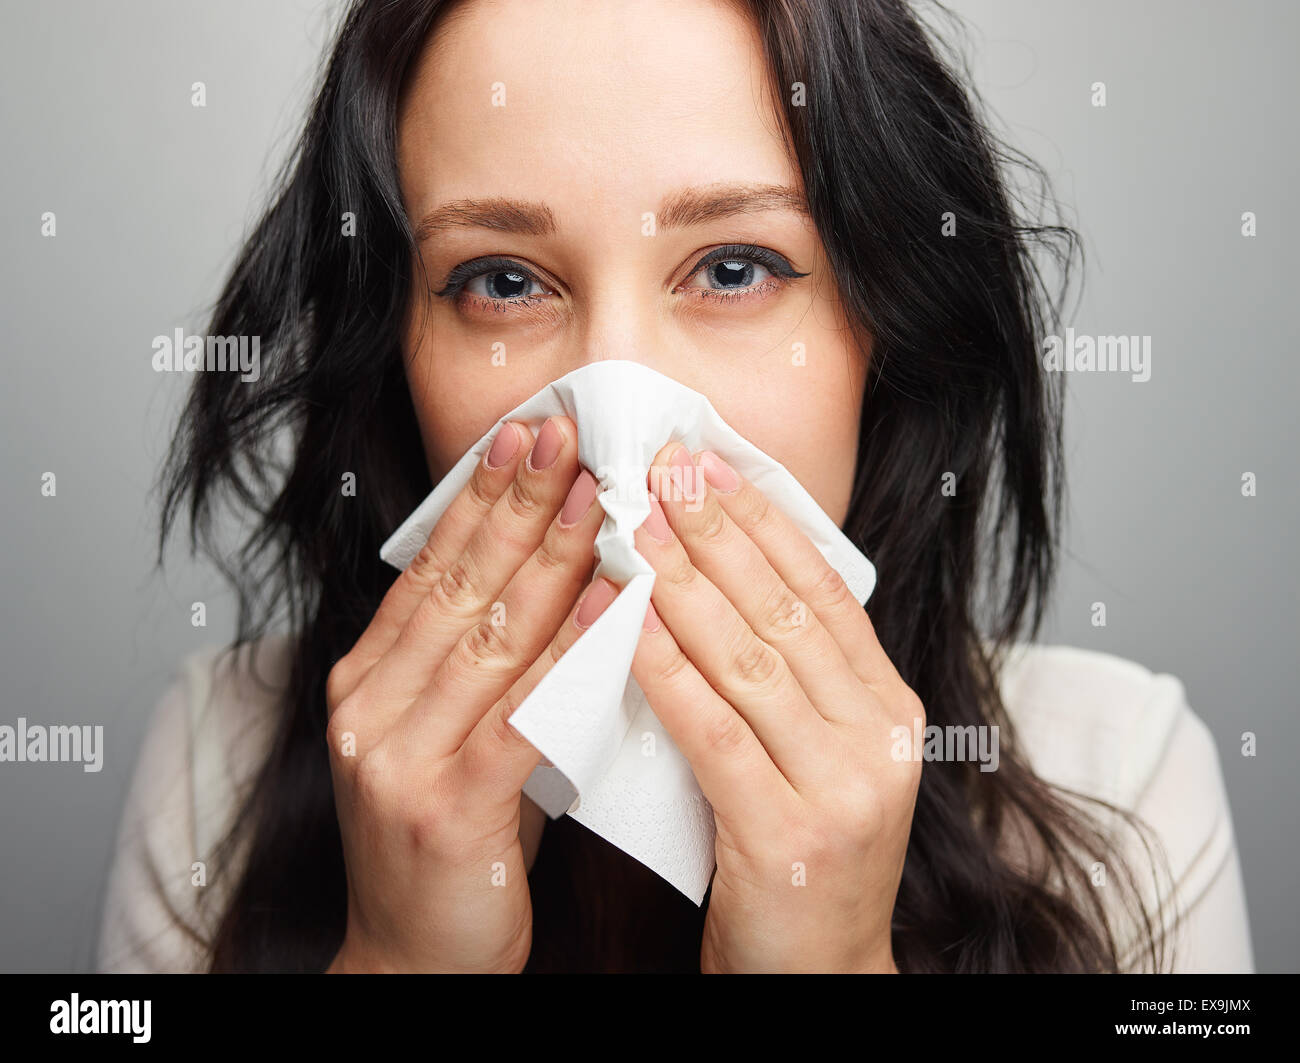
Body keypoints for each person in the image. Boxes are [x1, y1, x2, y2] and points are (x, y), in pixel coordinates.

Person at [97, 0, 1253, 973]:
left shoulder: (1120, 781)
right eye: (502, 280)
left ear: (881, 330)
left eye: (735, 268)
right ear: (394, 351)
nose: (618, 423)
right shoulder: (216, 766)